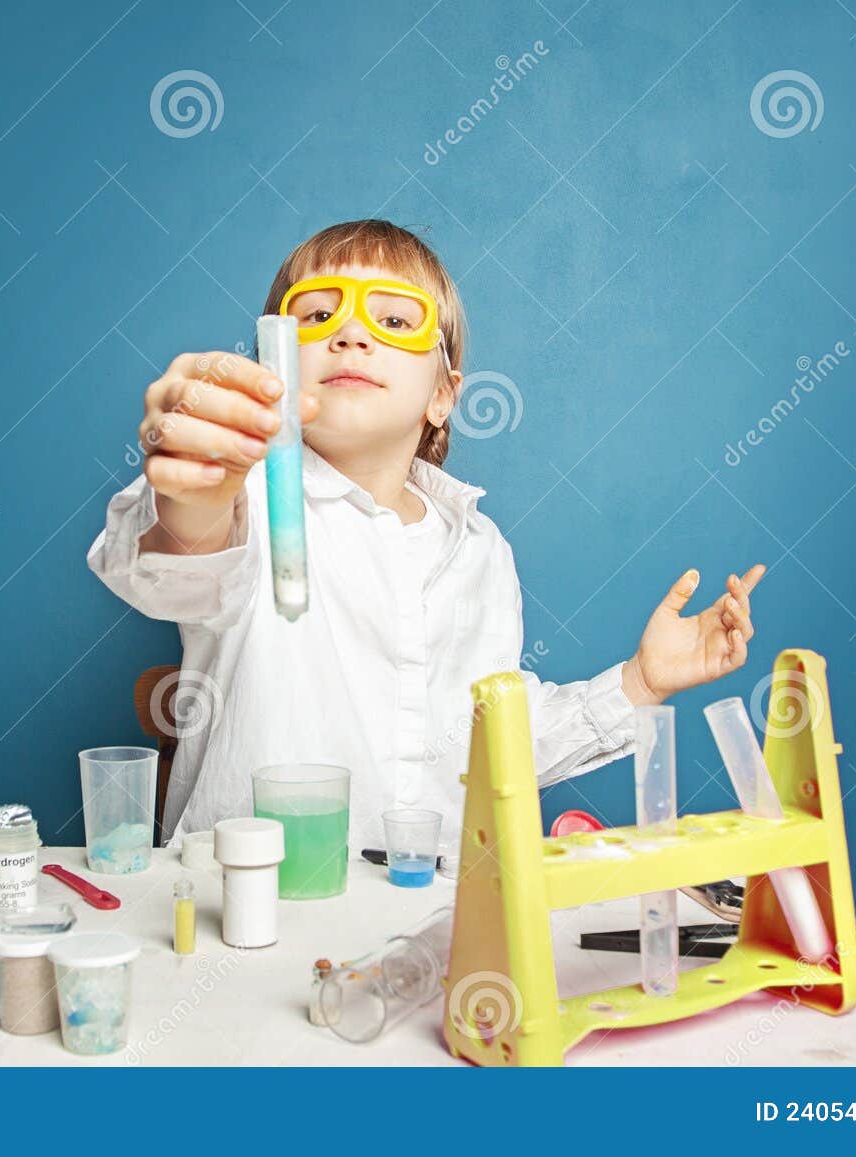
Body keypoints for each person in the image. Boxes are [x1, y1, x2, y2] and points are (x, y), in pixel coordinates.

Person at [88, 219, 764, 851]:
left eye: (394, 320)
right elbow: (179, 555)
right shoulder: (250, 501)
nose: (351, 334)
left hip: (429, 921)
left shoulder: (480, 550)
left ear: (443, 395)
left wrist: (640, 683)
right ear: (276, 367)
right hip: (251, 918)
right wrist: (193, 485)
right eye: (318, 315)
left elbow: (494, 742)